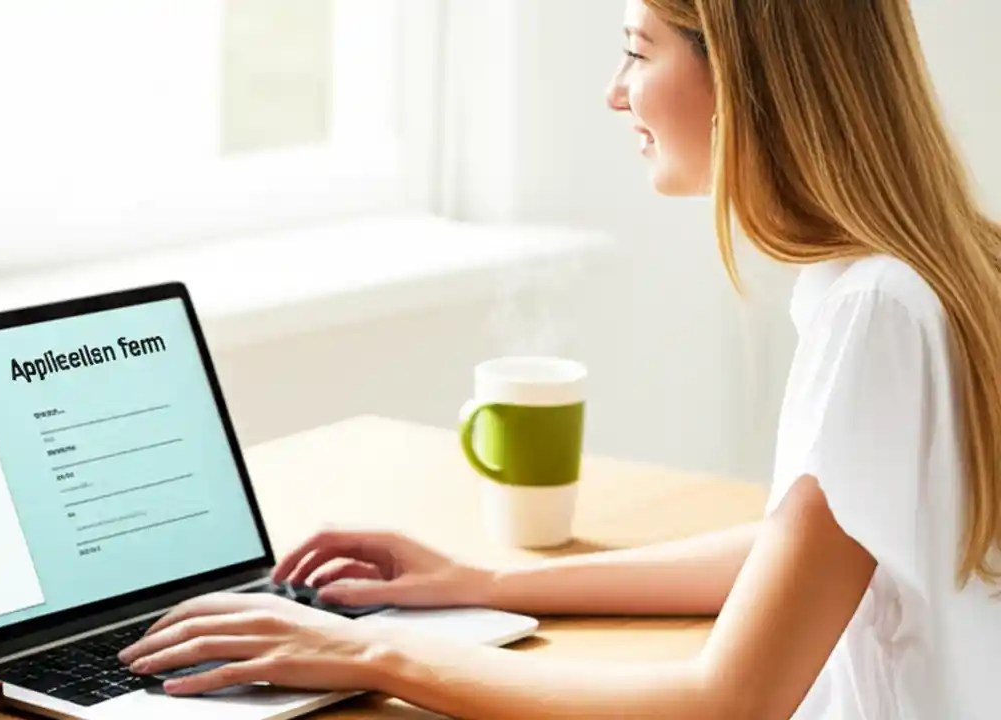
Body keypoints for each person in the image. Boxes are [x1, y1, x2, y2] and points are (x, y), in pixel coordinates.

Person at [118, 0, 1001, 716]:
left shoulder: (876, 311)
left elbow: (728, 700)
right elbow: (806, 552)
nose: (617, 94)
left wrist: (369, 651)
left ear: (740, 77)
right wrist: (493, 581)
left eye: (638, 53)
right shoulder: (936, 271)